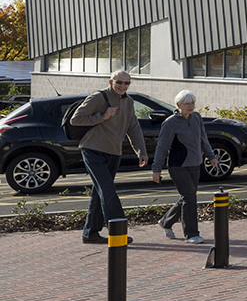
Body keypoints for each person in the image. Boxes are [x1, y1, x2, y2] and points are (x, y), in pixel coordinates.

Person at [71, 70, 148, 244]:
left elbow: (133, 127)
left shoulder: (128, 102)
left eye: (126, 83)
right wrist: (102, 116)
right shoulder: (98, 97)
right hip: (92, 148)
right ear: (110, 81)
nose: (122, 86)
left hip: (114, 151)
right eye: (119, 82)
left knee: (101, 192)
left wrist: (141, 151)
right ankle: (118, 233)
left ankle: (90, 233)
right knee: (108, 190)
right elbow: (76, 120)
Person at [152, 90, 219, 243]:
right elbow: (161, 148)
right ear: (178, 105)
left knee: (187, 198)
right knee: (190, 197)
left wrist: (211, 156)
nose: (191, 106)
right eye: (187, 104)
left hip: (195, 165)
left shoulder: (196, 117)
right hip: (178, 166)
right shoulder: (170, 123)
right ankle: (191, 234)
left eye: (192, 103)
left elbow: (203, 138)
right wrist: (156, 169)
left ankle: (166, 222)